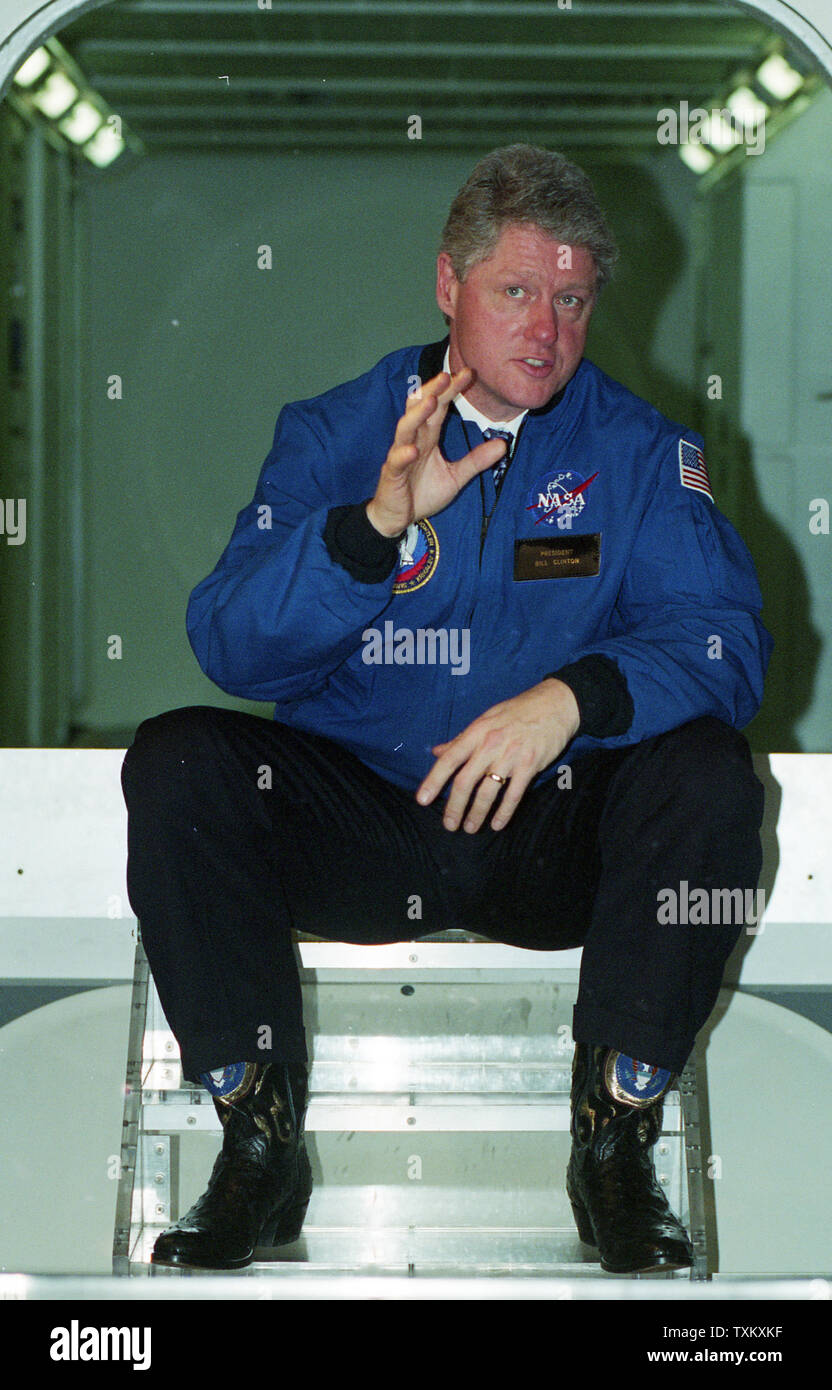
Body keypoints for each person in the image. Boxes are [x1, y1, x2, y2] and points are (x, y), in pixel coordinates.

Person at [120, 143, 771, 1275]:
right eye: (515, 292)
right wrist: (369, 531)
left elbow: (725, 643)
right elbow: (225, 640)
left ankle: (613, 1146)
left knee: (709, 768)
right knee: (180, 760)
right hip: (367, 817)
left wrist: (573, 700)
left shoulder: (642, 453)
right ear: (447, 285)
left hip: (551, 831)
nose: (545, 329)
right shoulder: (334, 432)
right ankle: (259, 1147)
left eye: (570, 300)